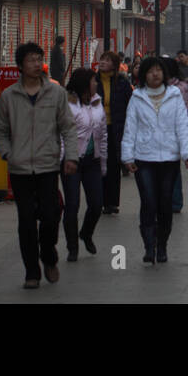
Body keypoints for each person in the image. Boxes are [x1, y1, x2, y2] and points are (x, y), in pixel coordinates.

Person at [0, 42, 79, 289]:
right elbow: (0, 130)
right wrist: (8, 153)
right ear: (20, 65)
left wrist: (70, 157)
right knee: (27, 221)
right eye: (30, 59)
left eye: (38, 59)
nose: (35, 63)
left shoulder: (56, 93)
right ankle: (32, 271)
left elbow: (68, 128)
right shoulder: (9, 96)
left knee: (50, 216)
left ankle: (49, 256)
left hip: (48, 165)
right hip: (19, 168)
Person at [121, 56, 188, 264]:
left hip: (169, 159)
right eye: (150, 71)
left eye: (158, 70)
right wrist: (127, 156)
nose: (155, 74)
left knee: (164, 204)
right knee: (148, 202)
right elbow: (130, 128)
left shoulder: (174, 96)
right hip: (144, 158)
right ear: (143, 75)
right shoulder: (137, 98)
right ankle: (148, 245)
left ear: (164, 73)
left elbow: (182, 125)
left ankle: (162, 245)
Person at [60, 67, 106, 262]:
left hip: (92, 161)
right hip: (72, 160)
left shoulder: (97, 103)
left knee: (97, 203)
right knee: (72, 204)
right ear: (84, 84)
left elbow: (102, 135)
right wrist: (64, 159)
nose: (97, 83)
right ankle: (72, 247)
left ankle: (86, 233)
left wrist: (103, 161)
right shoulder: (68, 105)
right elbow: (61, 135)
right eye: (94, 81)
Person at [96, 51, 133, 215]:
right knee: (99, 164)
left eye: (107, 60)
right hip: (97, 129)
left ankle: (112, 202)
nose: (103, 62)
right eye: (101, 59)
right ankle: (101, 200)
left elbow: (130, 104)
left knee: (113, 165)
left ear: (115, 64)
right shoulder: (93, 80)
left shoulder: (122, 82)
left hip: (116, 127)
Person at [164, 58, 188, 214]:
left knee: (173, 169)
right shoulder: (154, 88)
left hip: (174, 134)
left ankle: (175, 202)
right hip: (157, 136)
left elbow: (184, 113)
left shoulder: (181, 88)